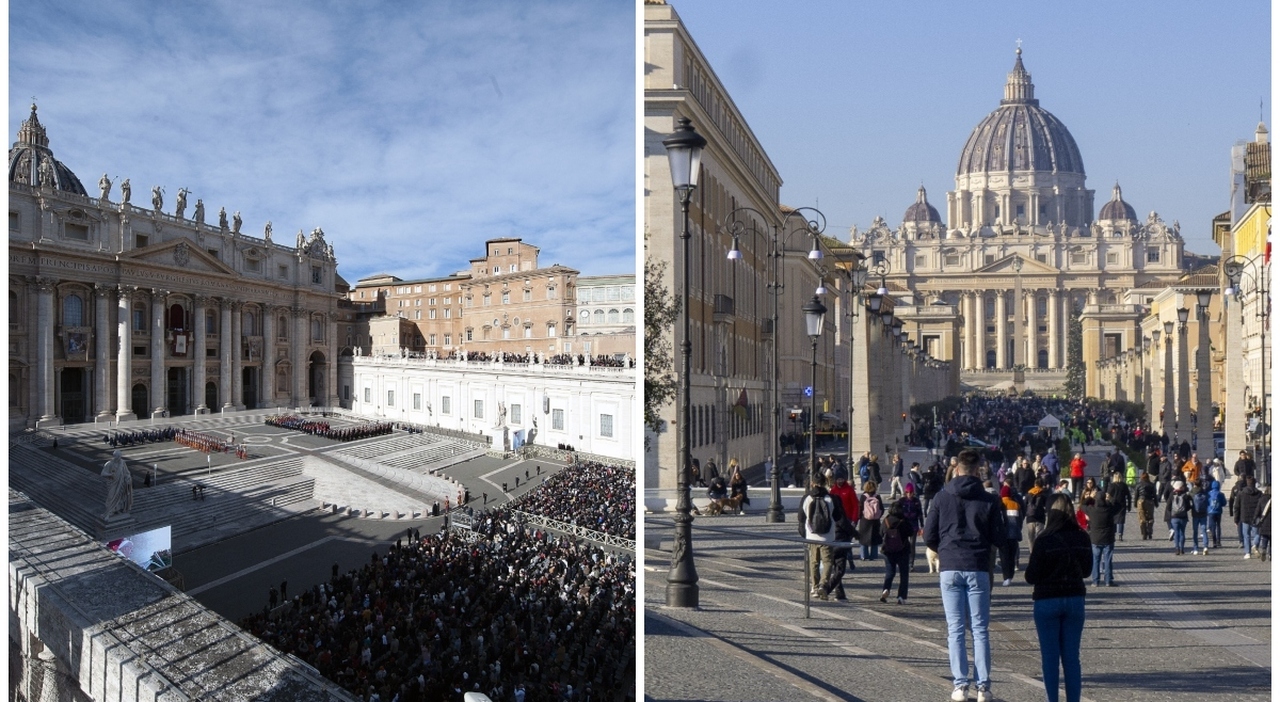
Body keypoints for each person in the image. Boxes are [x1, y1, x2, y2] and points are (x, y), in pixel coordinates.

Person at [924, 449, 1006, 702]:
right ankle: (983, 687)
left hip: (949, 566)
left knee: (955, 630)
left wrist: (945, 550)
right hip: (978, 566)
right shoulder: (990, 500)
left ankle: (960, 685)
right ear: (978, 469)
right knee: (980, 630)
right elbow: (999, 537)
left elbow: (928, 535)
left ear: (957, 468)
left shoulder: (941, 497)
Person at [1025, 492, 1093, 702]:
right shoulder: (1082, 536)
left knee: (1050, 658)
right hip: (1074, 599)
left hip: (1047, 600)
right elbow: (1087, 571)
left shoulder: (1044, 540)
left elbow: (1031, 576)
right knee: (1072, 658)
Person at [798, 474, 843, 600]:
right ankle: (823, 584)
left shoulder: (807, 498)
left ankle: (815, 586)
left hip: (811, 535)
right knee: (828, 561)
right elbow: (838, 516)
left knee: (814, 561)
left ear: (813, 483)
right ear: (824, 483)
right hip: (827, 536)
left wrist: (804, 532)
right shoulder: (830, 498)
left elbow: (801, 518)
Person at [1082, 490, 1120, 586]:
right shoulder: (1109, 509)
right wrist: (1110, 498)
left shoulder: (1092, 510)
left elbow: (1082, 505)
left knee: (1096, 560)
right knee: (1108, 560)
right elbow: (1119, 506)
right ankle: (1108, 581)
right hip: (1108, 538)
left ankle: (1095, 581)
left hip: (1095, 538)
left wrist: (1090, 497)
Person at [880, 500, 913, 604]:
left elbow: (880, 533)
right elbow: (911, 532)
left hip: (888, 551)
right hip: (902, 550)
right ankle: (901, 596)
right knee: (904, 574)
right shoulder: (904, 520)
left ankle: (886, 589)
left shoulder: (886, 520)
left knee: (890, 572)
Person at [998, 484, 1024, 586]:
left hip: (1002, 535)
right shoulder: (1016, 505)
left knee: (1004, 557)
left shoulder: (999, 505)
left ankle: (1006, 577)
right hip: (1014, 534)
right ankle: (1011, 575)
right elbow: (1020, 520)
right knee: (1012, 556)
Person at [1234, 476, 1264, 558]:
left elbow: (1237, 507)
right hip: (1256, 516)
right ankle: (1255, 544)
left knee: (1246, 535)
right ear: (1254, 483)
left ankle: (1248, 552)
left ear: (1247, 483)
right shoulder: (1259, 493)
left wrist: (1236, 519)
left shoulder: (1241, 493)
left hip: (1245, 516)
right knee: (1257, 534)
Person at [101, 449, 134, 518]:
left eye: (120, 457)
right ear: (114, 456)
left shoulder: (122, 463)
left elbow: (127, 473)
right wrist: (110, 475)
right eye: (118, 457)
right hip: (113, 484)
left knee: (120, 497)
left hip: (121, 483)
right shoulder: (109, 464)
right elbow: (103, 473)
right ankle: (109, 511)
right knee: (111, 497)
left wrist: (128, 478)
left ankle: (116, 509)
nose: (119, 458)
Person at [857, 481, 883, 561]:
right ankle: (873, 555)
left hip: (865, 520)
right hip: (875, 521)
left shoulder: (863, 496)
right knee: (874, 539)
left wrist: (860, 517)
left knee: (863, 539)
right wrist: (878, 516)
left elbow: (860, 508)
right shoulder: (877, 496)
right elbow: (881, 508)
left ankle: (864, 555)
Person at [1166, 480, 1192, 556]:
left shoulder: (1172, 494)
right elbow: (1188, 506)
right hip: (1183, 517)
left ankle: (1177, 548)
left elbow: (1168, 507)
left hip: (1174, 517)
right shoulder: (1185, 495)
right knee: (1182, 533)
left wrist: (1172, 511)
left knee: (1176, 533)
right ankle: (1182, 549)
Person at [1105, 473, 1131, 541]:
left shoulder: (1112, 485)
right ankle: (1120, 534)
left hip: (1113, 504)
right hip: (1122, 504)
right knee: (1121, 521)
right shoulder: (1124, 485)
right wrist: (1129, 505)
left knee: (1113, 520)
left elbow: (1108, 495)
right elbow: (1128, 496)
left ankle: (1113, 534)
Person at [1134, 473, 1158, 540]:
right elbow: (1154, 495)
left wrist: (1135, 503)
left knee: (1142, 518)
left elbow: (1136, 495)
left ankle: (1144, 533)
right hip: (1150, 501)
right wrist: (1156, 503)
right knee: (1150, 517)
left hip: (1141, 501)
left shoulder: (1138, 485)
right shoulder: (1151, 485)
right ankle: (1150, 533)